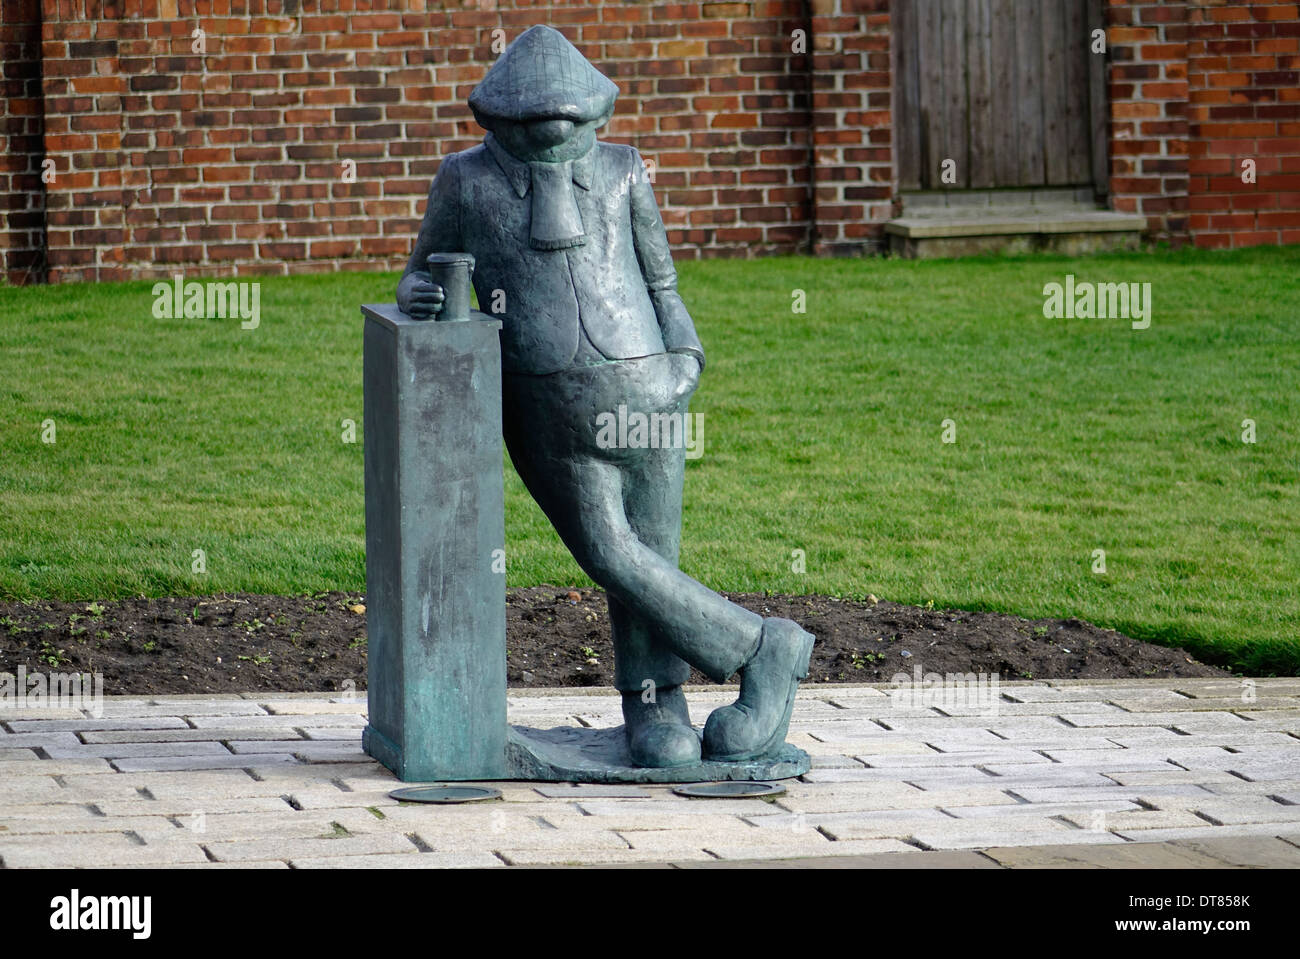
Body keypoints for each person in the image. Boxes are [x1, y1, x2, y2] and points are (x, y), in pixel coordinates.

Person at [397, 26, 814, 768]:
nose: (553, 135)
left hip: (648, 380)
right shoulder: (465, 180)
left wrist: (686, 355)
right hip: (542, 400)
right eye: (533, 124)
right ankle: (762, 645)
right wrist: (424, 292)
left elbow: (662, 280)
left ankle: (659, 712)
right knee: (605, 546)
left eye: (568, 121)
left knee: (655, 548)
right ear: (496, 120)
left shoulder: (622, 170)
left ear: (596, 116)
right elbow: (417, 270)